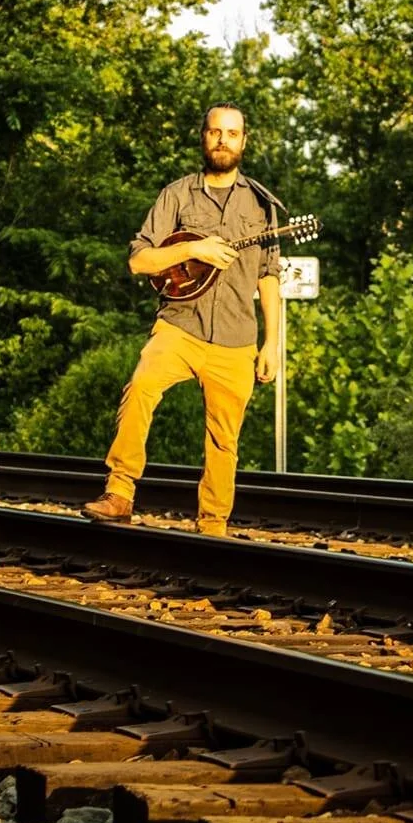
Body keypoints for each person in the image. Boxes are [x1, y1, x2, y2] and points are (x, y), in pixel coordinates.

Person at [84, 104, 281, 536]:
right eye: (215, 132)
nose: (223, 140)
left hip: (236, 337)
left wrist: (273, 343)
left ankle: (212, 528)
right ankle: (119, 493)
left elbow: (269, 276)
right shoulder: (177, 195)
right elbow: (139, 260)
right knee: (140, 388)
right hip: (179, 325)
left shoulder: (263, 205)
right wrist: (193, 250)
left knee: (224, 439)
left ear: (244, 141)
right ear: (203, 137)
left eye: (232, 133)